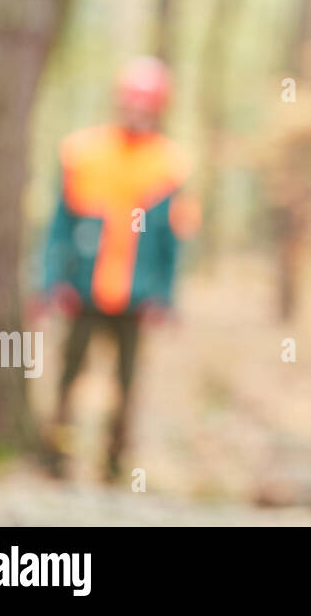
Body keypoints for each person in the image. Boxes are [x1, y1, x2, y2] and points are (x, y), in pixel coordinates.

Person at [38, 56, 199, 482]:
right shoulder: (84, 152)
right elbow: (58, 226)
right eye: (132, 104)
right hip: (83, 288)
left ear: (160, 109)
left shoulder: (169, 165)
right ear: (119, 103)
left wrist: (164, 297)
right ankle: (54, 458)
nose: (138, 114)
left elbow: (171, 243)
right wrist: (51, 282)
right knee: (69, 375)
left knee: (125, 385)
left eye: (147, 106)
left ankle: (113, 464)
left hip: (136, 294)